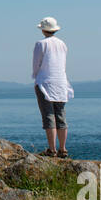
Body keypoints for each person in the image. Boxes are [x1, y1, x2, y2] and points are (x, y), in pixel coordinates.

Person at [32, 17, 74, 158]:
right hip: (61, 82)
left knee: (49, 116)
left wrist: (36, 77)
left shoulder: (40, 44)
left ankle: (52, 149)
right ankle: (63, 149)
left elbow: (36, 64)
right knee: (61, 116)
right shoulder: (62, 44)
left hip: (45, 82)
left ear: (43, 29)